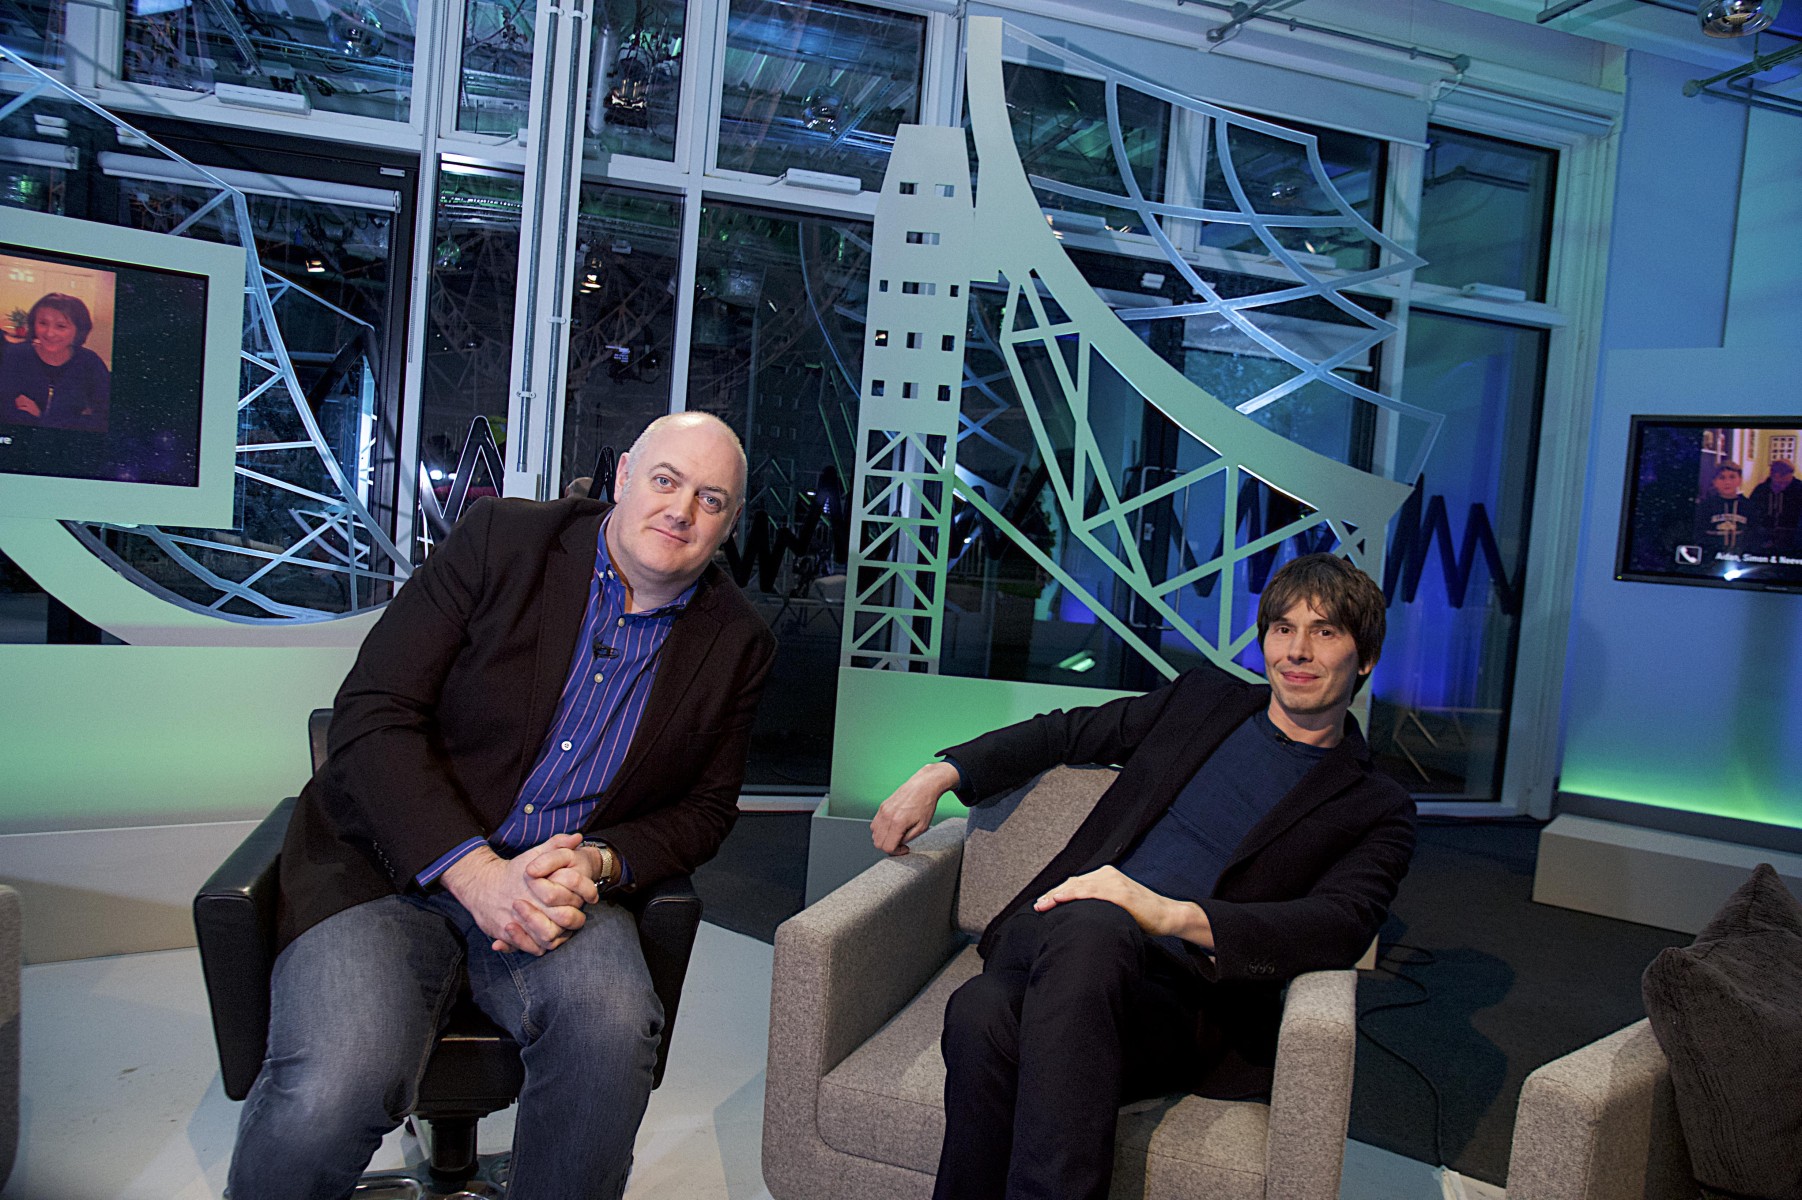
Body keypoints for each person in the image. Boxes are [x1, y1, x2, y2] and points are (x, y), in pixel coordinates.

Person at [227, 412, 776, 1200]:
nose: (681, 510)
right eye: (665, 480)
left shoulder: (737, 642)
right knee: (336, 1084)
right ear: (623, 478)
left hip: (554, 894)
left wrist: (598, 860)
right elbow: (372, 713)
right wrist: (476, 873)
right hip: (390, 871)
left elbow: (706, 810)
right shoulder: (503, 543)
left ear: (727, 525)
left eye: (710, 499)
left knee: (613, 1033)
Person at [870, 553, 1414, 1200]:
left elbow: (1339, 925)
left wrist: (1167, 915)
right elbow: (1068, 733)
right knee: (1095, 923)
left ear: (1367, 656)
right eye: (1282, 628)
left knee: (981, 1013)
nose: (1297, 651)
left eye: (1325, 632)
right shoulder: (1205, 701)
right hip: (1054, 939)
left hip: (1179, 1009)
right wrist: (941, 774)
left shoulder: (1375, 805)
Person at [0, 293, 111, 431]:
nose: (49, 333)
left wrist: (43, 419)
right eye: (43, 323)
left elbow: (104, 419)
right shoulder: (16, 355)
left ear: (78, 330)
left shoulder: (90, 363)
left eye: (61, 326)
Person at [1695, 461, 1750, 556]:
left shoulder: (1749, 506)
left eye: (1732, 477)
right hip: (1712, 557)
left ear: (1740, 480)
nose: (1727, 482)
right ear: (1714, 482)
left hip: (1742, 557)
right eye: (1722, 478)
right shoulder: (1705, 506)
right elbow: (1699, 534)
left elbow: (1754, 534)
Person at [1750, 459, 1799, 556]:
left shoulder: (1799, 490)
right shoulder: (1761, 490)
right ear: (1772, 475)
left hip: (1792, 543)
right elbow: (1751, 515)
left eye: (1786, 483)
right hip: (1762, 542)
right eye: (1779, 483)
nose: (1783, 487)